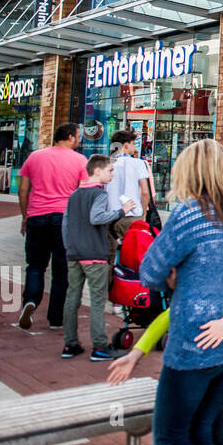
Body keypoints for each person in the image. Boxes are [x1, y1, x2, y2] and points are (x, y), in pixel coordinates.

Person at [139, 139, 223, 445]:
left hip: (195, 343)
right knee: (205, 431)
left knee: (171, 440)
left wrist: (171, 278)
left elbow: (149, 272)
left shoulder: (189, 214)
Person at [107, 273, 223, 445]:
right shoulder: (197, 265)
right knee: (211, 427)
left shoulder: (219, 258)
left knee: (202, 430)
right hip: (222, 359)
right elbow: (170, 314)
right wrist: (137, 352)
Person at [61, 154, 136, 361]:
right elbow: (97, 218)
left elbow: (65, 224)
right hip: (94, 254)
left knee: (72, 298)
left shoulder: (75, 194)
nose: (112, 174)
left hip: (75, 253)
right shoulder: (99, 194)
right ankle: (100, 346)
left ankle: (70, 344)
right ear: (97, 171)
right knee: (96, 300)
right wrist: (121, 211)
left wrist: (69, 246)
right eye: (110, 170)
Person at [16, 123, 89, 330]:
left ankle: (30, 301)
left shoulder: (35, 157)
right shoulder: (79, 160)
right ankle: (56, 317)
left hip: (36, 217)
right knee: (62, 269)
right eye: (77, 136)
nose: (80, 140)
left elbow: (23, 190)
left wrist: (25, 216)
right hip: (64, 219)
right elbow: (83, 193)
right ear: (69, 137)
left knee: (35, 265)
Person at [107, 130, 152, 263]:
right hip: (132, 215)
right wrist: (143, 213)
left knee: (109, 256)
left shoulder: (108, 163)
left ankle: (109, 283)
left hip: (110, 215)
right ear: (125, 145)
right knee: (131, 255)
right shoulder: (138, 164)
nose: (134, 147)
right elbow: (145, 192)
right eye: (133, 144)